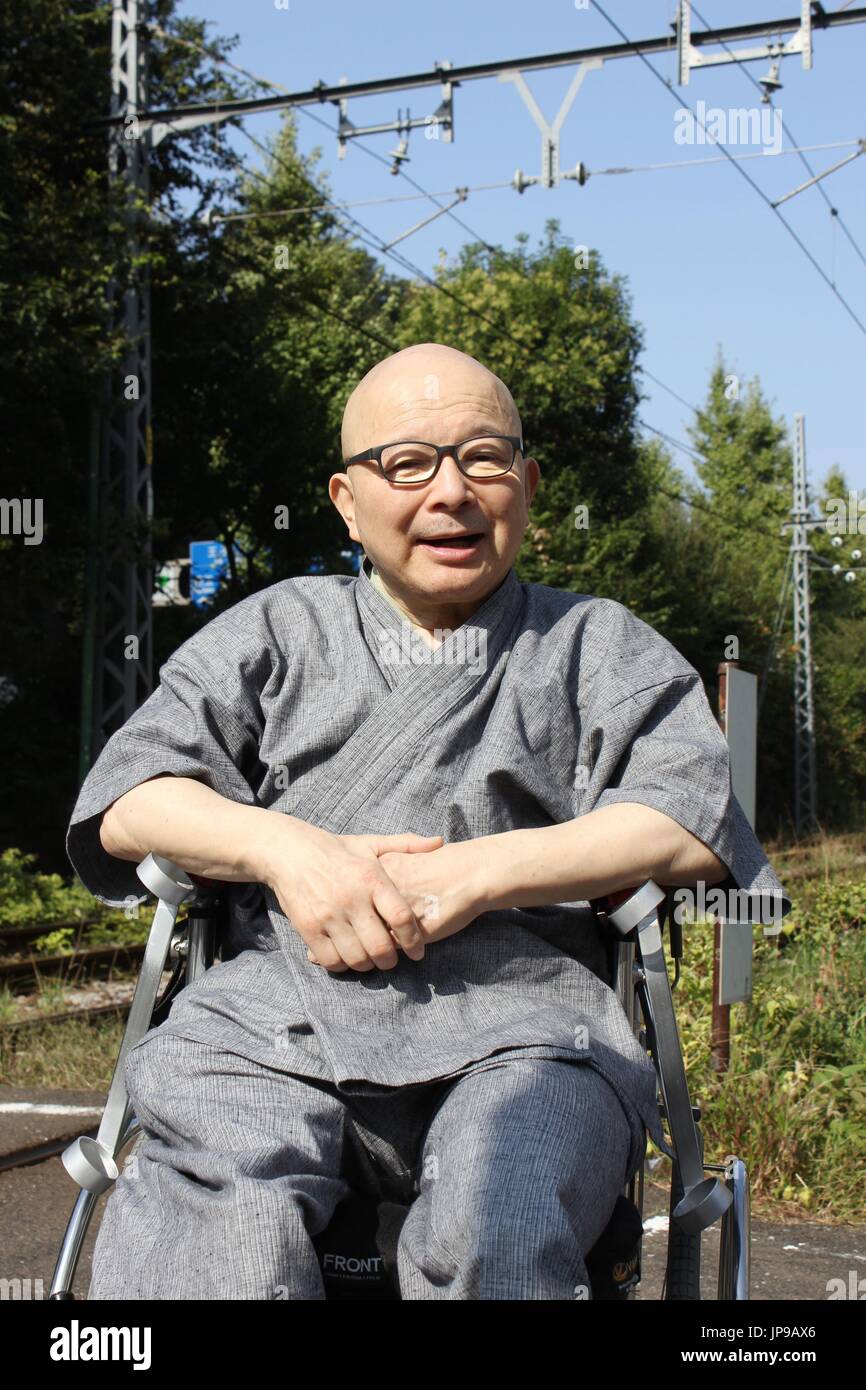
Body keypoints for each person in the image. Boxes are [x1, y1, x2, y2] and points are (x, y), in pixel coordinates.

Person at [66, 342, 788, 1300]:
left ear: (527, 485)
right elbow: (129, 799)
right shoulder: (274, 631)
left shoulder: (596, 644)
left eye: (484, 459)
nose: (451, 491)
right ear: (345, 500)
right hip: (268, 1025)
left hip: (531, 1035)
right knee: (213, 1231)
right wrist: (290, 851)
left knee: (504, 1214)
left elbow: (690, 824)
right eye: (407, 463)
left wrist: (478, 873)